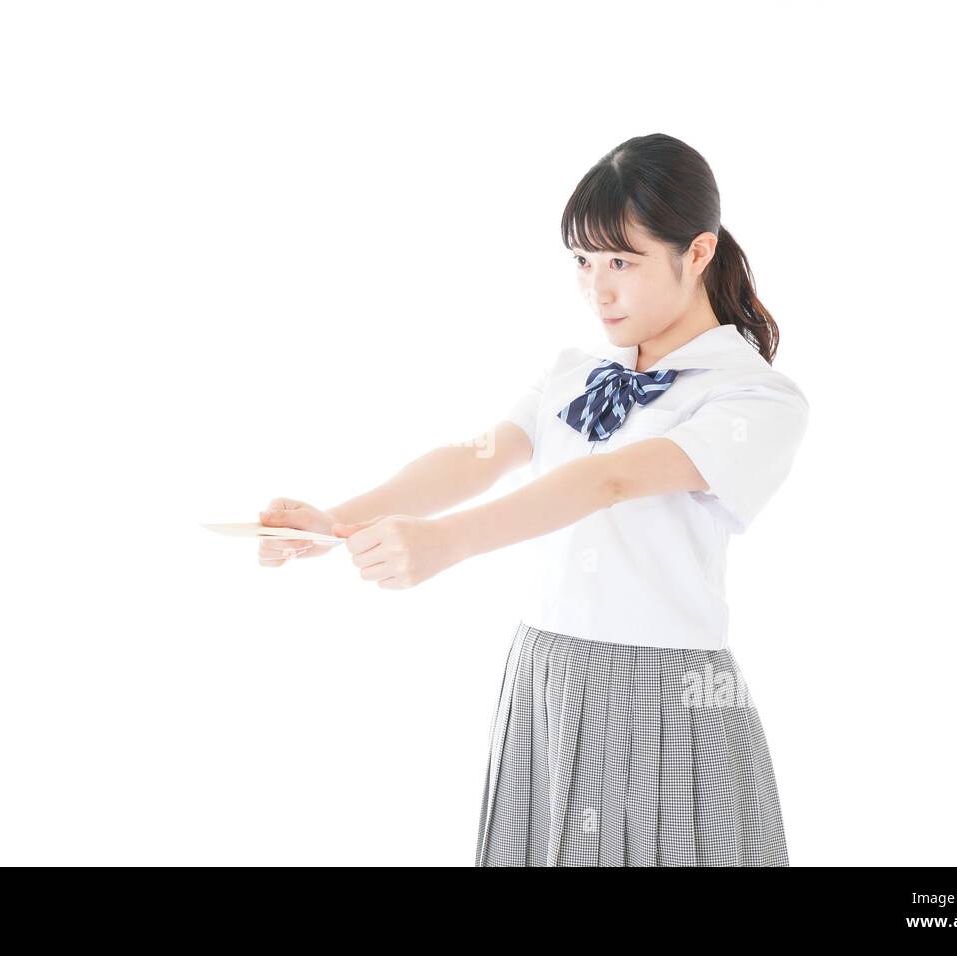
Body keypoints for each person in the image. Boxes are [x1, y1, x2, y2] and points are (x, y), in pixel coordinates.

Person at [256, 133, 809, 866]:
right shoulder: (574, 371)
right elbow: (475, 458)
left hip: (668, 690)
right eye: (583, 262)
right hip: (547, 674)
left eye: (622, 261)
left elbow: (606, 481)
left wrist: (449, 544)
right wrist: (338, 520)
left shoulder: (753, 396)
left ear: (698, 253)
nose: (597, 288)